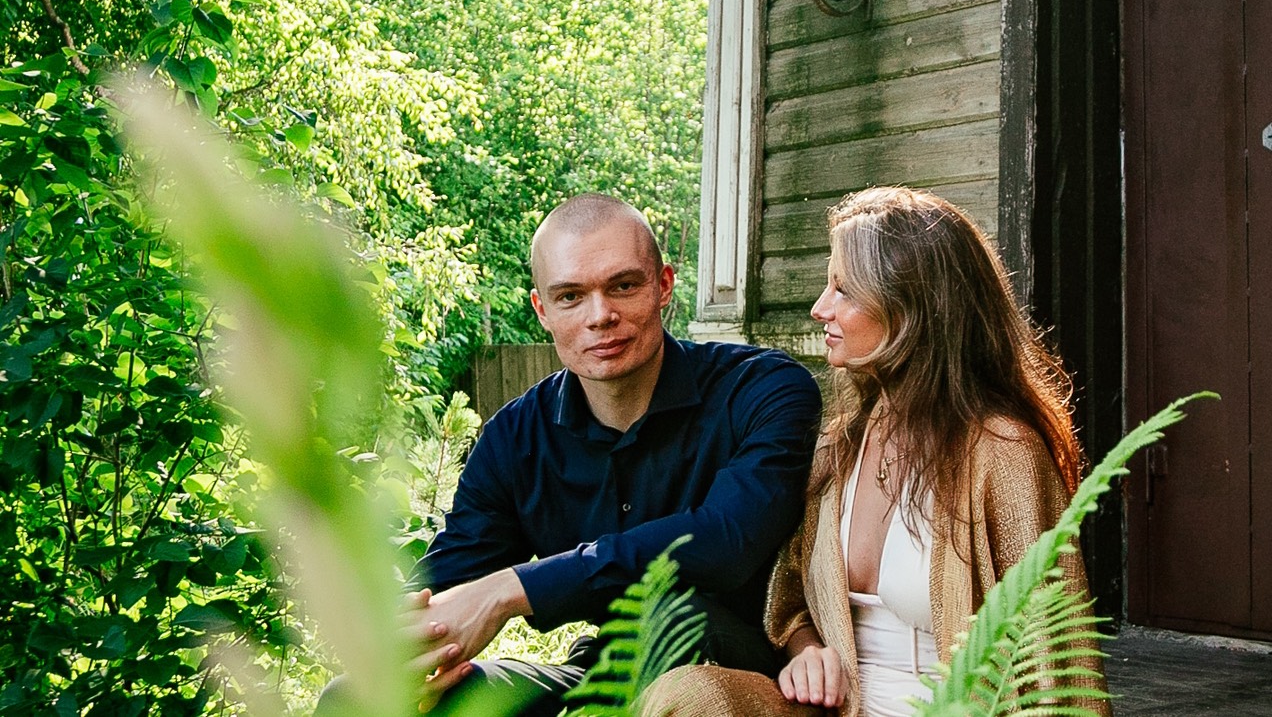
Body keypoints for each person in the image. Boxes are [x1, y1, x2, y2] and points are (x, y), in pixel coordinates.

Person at [325, 193, 823, 717]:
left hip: (750, 676)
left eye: (624, 286)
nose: (600, 316)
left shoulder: (763, 389)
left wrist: (512, 589)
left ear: (664, 286)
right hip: (604, 672)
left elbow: (727, 540)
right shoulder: (516, 440)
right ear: (542, 309)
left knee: (664, 617)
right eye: (570, 296)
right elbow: (447, 583)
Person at [641, 186, 1109, 717]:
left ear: (914, 308)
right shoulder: (839, 445)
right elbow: (789, 601)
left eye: (844, 290)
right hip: (837, 710)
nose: (820, 308)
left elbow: (1059, 662)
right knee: (691, 696)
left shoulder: (1004, 452)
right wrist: (809, 652)